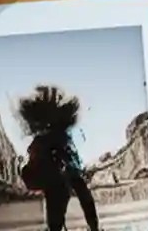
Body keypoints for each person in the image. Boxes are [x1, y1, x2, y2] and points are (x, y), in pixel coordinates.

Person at [17, 86, 99, 231]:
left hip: (58, 179)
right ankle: (93, 227)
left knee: (57, 214)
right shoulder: (54, 139)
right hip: (60, 178)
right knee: (76, 199)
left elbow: (32, 169)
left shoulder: (44, 140)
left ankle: (91, 227)